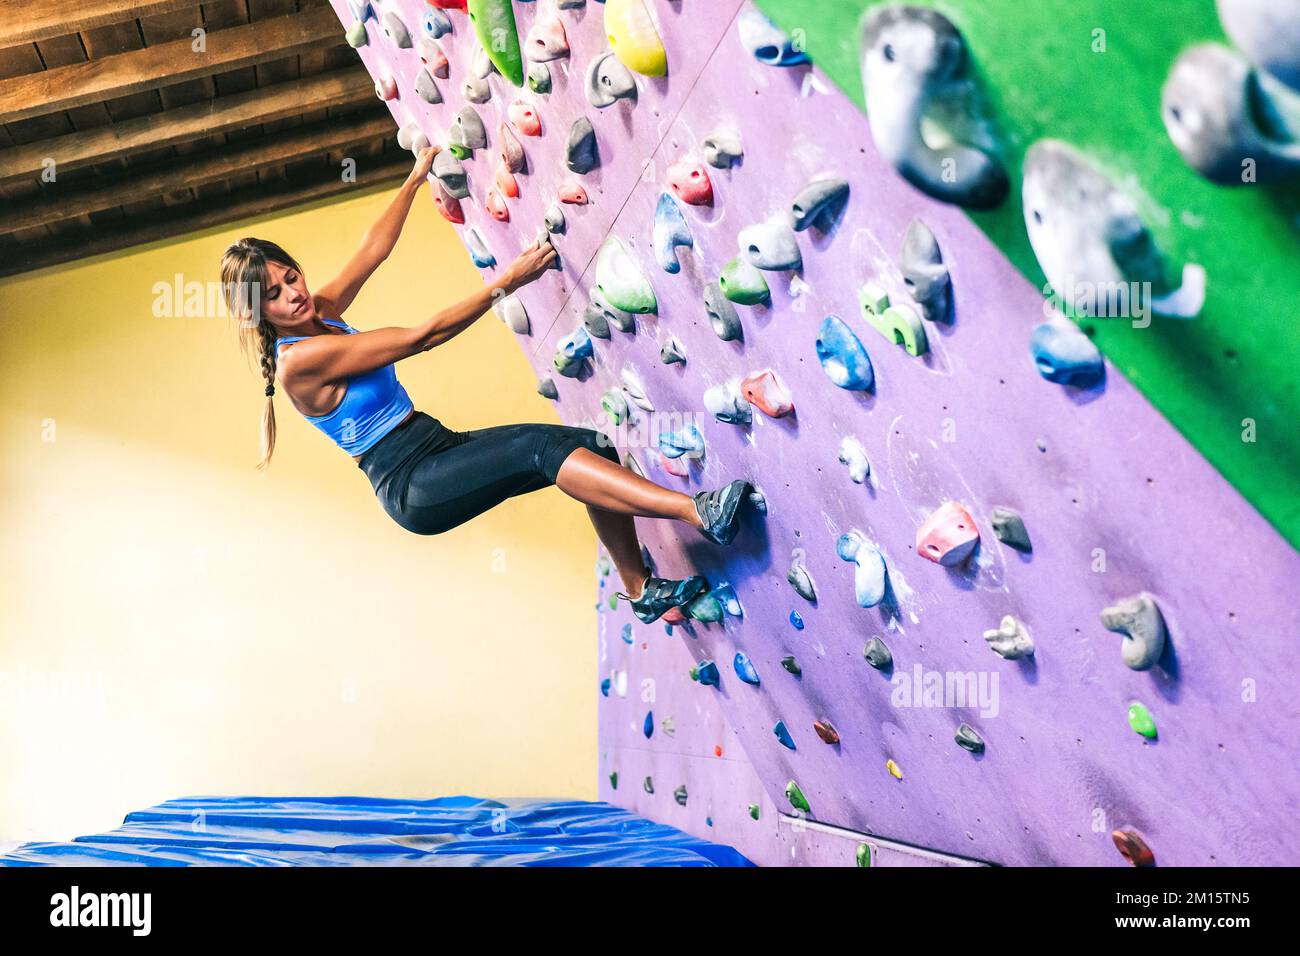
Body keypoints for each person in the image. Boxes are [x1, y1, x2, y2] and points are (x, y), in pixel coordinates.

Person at [219, 146, 752, 624]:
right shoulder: (299, 361)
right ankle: (696, 512)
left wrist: (411, 181)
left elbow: (371, 251)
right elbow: (422, 337)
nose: (292, 294)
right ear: (256, 313)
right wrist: (508, 282)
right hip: (410, 482)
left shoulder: (321, 314)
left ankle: (640, 590)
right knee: (546, 449)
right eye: (273, 295)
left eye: (291, 276)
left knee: (596, 447)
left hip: (433, 442)